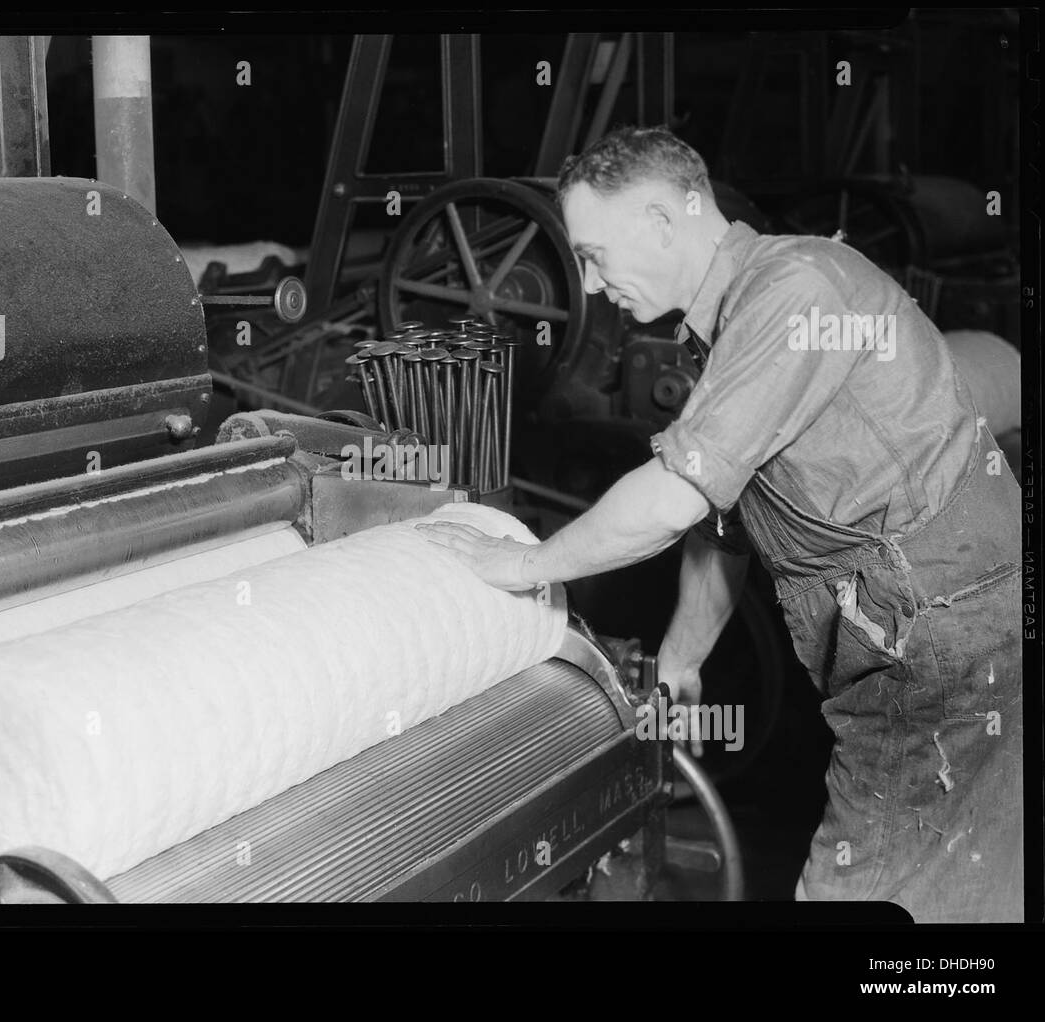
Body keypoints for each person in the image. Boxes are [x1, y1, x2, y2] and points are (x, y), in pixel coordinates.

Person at [416, 126, 1023, 922]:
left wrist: (521, 566)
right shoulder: (735, 324)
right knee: (967, 889)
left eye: (595, 255)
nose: (590, 288)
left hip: (942, 649)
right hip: (940, 630)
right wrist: (680, 657)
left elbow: (676, 500)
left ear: (664, 222)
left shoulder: (795, 293)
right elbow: (725, 526)